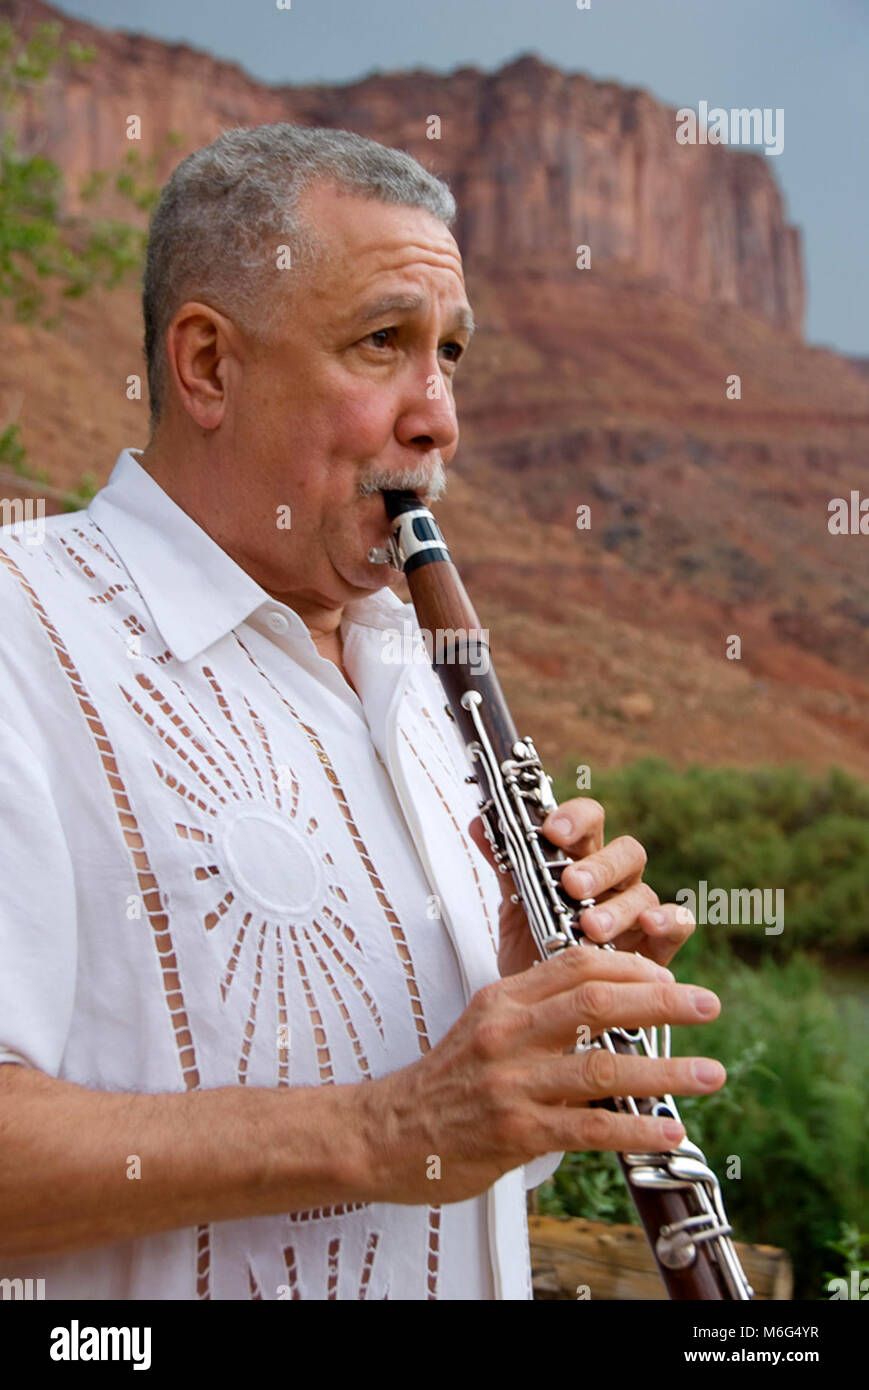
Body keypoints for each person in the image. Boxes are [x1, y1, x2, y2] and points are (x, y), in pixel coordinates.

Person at [0, 124, 723, 1301]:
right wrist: (382, 1127)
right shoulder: (21, 631)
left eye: (450, 355)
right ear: (207, 368)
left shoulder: (427, 678)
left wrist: (532, 1025)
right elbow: (401, 1135)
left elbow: (456, 1184)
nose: (437, 416)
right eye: (382, 342)